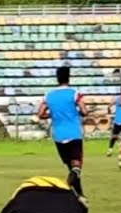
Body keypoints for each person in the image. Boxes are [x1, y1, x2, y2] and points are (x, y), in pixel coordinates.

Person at [36, 66, 87, 196]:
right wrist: (78, 112)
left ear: (57, 79)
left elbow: (40, 114)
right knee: (76, 167)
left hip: (58, 135)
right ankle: (66, 186)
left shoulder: (49, 95)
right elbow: (84, 111)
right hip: (74, 133)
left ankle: (79, 195)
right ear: (68, 78)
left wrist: (52, 115)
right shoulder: (74, 93)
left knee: (71, 167)